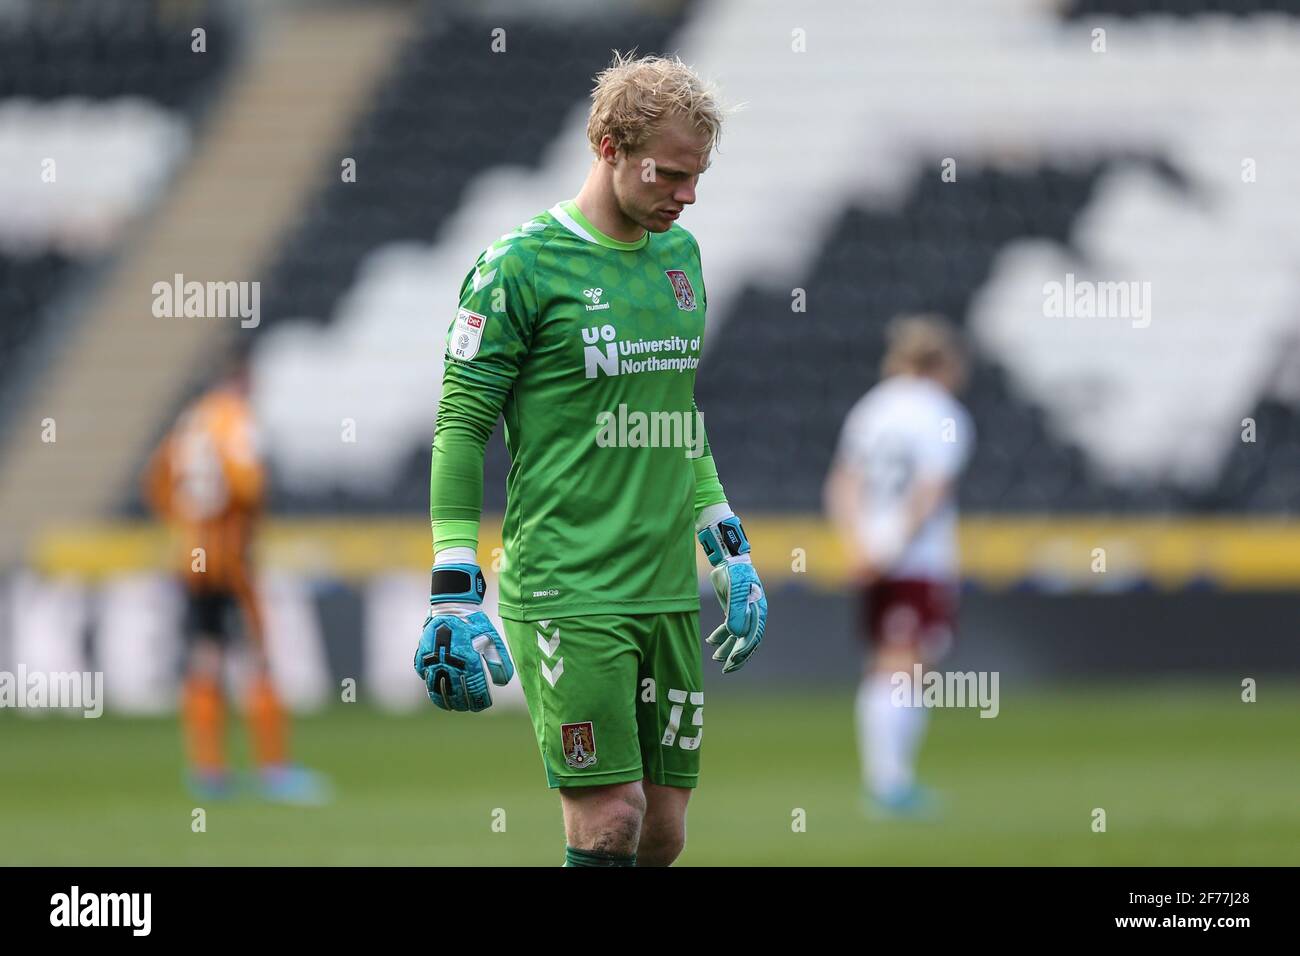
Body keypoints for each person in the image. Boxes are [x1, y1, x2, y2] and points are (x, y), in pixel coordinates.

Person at [415, 52, 767, 867]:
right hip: (568, 585)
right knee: (611, 819)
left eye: (699, 176)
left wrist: (727, 544)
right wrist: (452, 586)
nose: (688, 195)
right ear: (609, 146)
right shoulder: (518, 269)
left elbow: (678, 416)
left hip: (665, 585)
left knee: (665, 833)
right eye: (672, 173)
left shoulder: (681, 261)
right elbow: (460, 427)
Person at [143, 349, 328, 804]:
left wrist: (187, 525)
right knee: (258, 657)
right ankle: (275, 769)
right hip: (230, 561)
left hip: (193, 559)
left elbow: (157, 482)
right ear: (242, 379)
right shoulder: (235, 419)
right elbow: (249, 482)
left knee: (206, 656)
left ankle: (209, 772)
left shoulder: (191, 421)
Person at [824, 314, 974, 817]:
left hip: (873, 551)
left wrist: (857, 547)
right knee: (905, 665)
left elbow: (842, 484)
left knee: (889, 662)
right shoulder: (940, 412)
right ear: (944, 363)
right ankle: (890, 785)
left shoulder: (871, 408)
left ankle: (890, 781)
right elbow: (929, 492)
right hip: (914, 558)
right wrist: (889, 550)